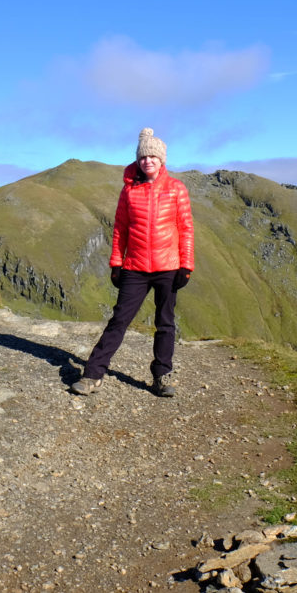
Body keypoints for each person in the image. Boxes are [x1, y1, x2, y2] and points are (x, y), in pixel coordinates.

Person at [72, 127, 195, 397]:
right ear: (138, 160)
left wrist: (186, 265)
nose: (148, 161)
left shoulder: (176, 189)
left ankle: (162, 376)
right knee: (119, 321)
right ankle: (92, 374)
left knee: (165, 323)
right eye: (143, 157)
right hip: (135, 268)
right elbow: (120, 228)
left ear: (162, 160)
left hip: (168, 267)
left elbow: (186, 228)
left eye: (153, 157)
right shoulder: (129, 191)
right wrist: (116, 263)